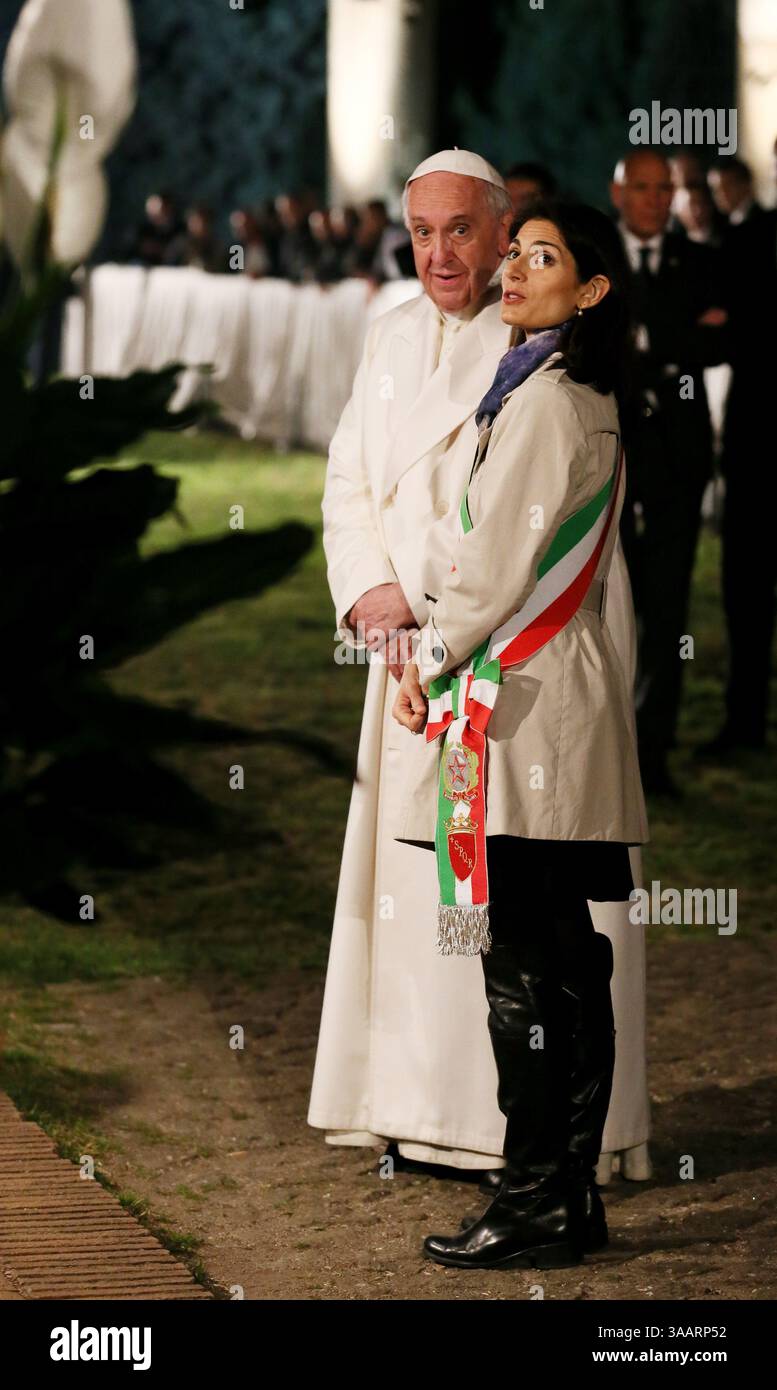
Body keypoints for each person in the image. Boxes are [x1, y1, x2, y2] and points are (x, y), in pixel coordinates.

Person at [308, 149, 651, 1193]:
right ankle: (420, 1110)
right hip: (415, 663)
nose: (441, 253)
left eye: (464, 230)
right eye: (422, 232)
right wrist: (373, 597)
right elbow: (348, 481)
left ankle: (535, 1161)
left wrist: (438, 632)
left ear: (506, 235)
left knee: (526, 921)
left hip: (511, 662)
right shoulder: (389, 336)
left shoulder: (542, 359)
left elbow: (505, 540)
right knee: (449, 909)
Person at [392, 202, 648, 1270]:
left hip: (524, 702)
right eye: (518, 252)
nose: (516, 269)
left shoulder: (545, 403)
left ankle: (540, 1193)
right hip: (550, 699)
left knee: (528, 961)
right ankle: (560, 1191)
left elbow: (489, 571)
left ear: (590, 291)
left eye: (546, 258)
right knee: (561, 955)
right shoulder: (563, 393)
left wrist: (423, 657)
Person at [610, 150, 728, 796]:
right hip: (611, 456)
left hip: (679, 459)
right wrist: (674, 338)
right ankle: (606, 748)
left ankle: (651, 753)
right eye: (642, 188)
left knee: (666, 607)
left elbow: (724, 337)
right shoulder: (594, 257)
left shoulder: (701, 263)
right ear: (618, 192)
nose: (654, 201)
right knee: (609, 603)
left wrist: (650, 343)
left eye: (664, 190)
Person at [697, 202, 777, 754]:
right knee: (746, 594)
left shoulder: (749, 238)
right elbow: (714, 333)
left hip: (756, 436)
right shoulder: (749, 239)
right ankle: (744, 721)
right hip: (757, 444)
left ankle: (744, 721)